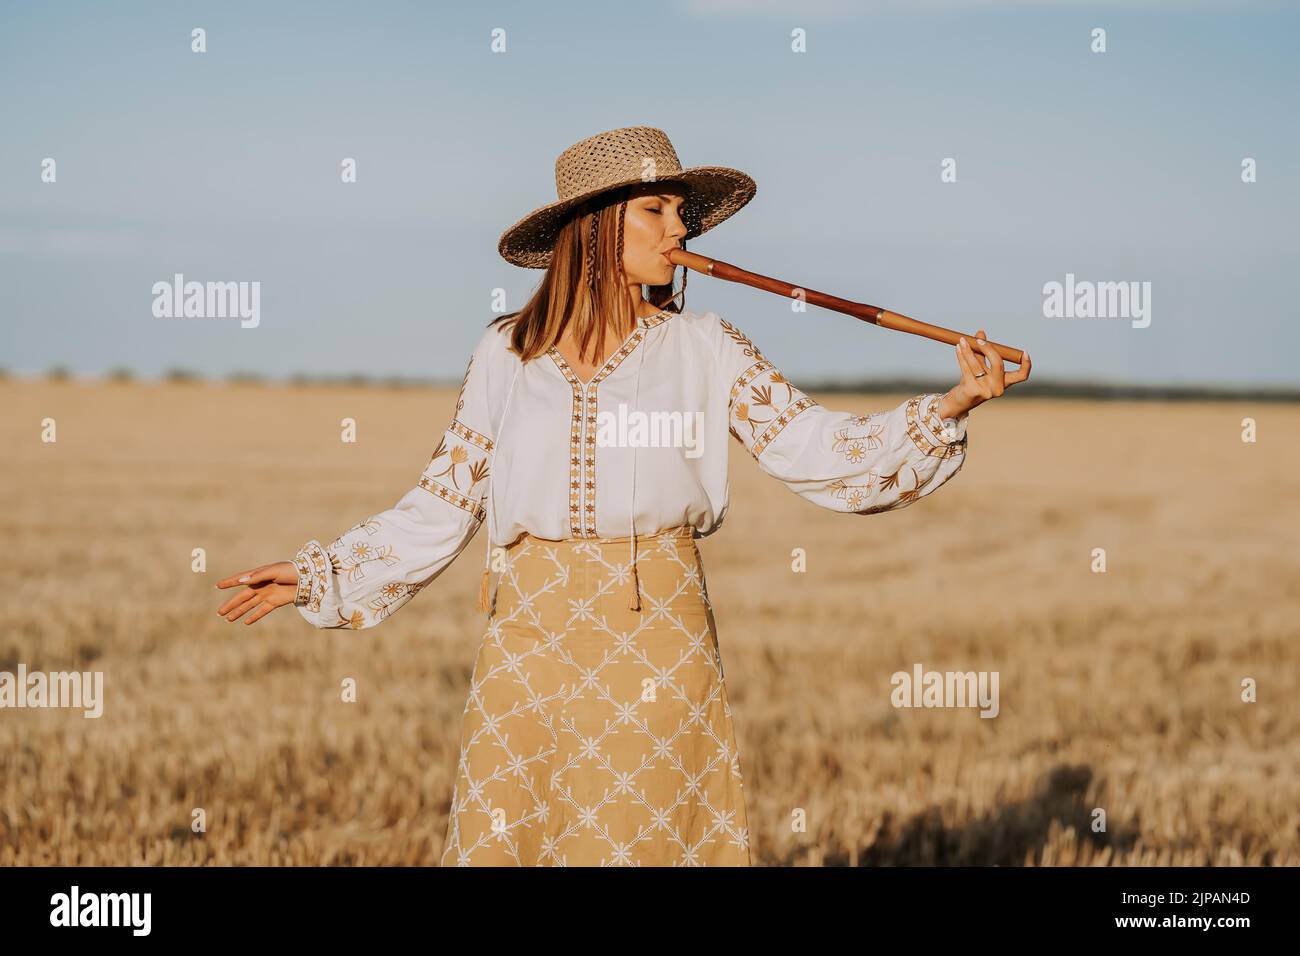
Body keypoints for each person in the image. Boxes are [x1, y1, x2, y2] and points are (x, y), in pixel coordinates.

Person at [214, 126, 1030, 866]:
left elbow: (822, 451)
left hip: (658, 634)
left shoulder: (707, 348)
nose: (681, 229)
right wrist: (324, 574)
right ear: (596, 227)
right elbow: (443, 500)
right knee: (507, 840)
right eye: (656, 210)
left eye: (682, 212)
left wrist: (950, 406)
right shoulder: (507, 352)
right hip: (525, 639)